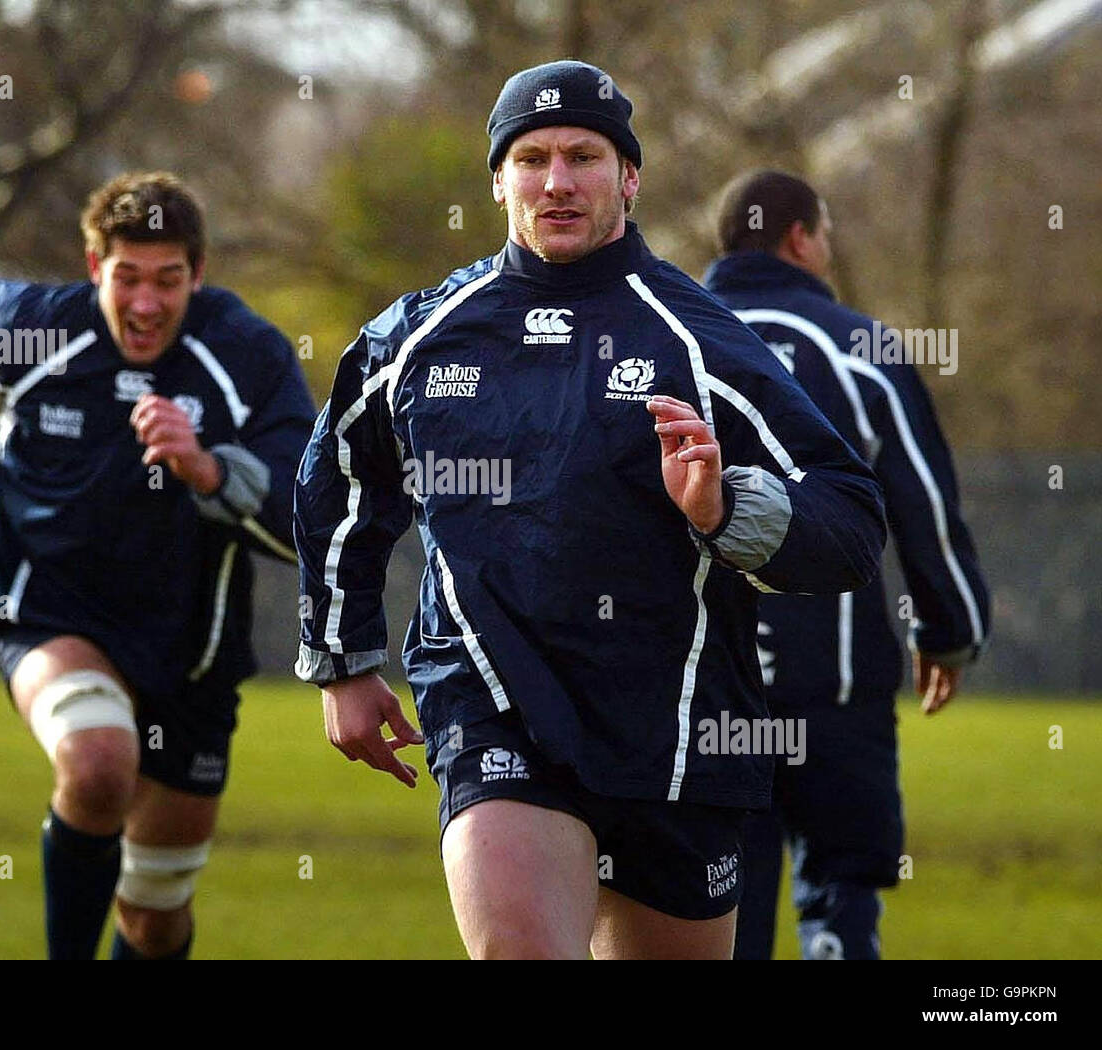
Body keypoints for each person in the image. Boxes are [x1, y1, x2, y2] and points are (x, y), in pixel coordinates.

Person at [293, 62, 887, 960]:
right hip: (493, 706)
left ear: (630, 177)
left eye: (583, 155)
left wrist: (725, 509)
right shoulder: (417, 338)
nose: (557, 182)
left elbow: (849, 521)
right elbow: (338, 473)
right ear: (498, 180)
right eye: (531, 159)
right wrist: (342, 660)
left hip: (678, 732)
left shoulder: (702, 340)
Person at [0, 171, 315, 959]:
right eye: (127, 277)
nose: (145, 303)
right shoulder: (29, 329)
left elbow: (307, 518)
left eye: (168, 281)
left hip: (189, 647)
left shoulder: (248, 356)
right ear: (94, 266)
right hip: (50, 603)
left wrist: (208, 470)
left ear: (199, 275)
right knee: (98, 766)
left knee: (155, 915)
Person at [704, 169, 991, 960]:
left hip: (702, 696)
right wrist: (949, 630)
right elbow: (924, 503)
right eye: (826, 234)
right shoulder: (858, 349)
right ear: (801, 237)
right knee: (841, 897)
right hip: (833, 690)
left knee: (718, 907)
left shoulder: (667, 333)